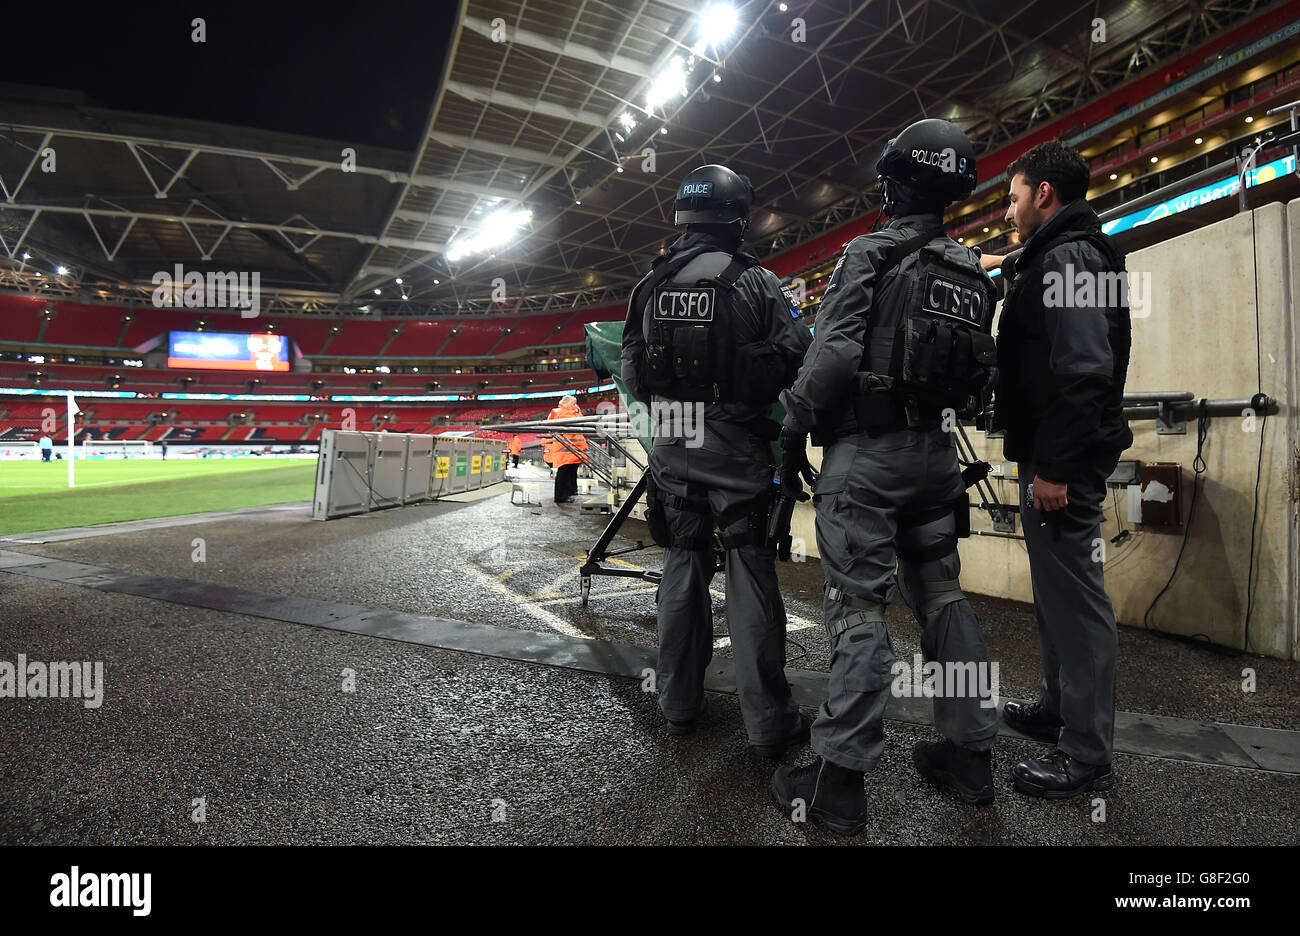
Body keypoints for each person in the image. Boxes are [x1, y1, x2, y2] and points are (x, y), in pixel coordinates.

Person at [770, 119, 1001, 835]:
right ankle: (970, 756)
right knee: (943, 595)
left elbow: (833, 354)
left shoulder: (868, 253)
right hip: (936, 456)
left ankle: (839, 780)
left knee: (860, 608)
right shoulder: (971, 270)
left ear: (898, 182)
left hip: (867, 459)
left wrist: (793, 425)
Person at [622, 163, 812, 757]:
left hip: (673, 439)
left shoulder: (649, 285)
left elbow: (631, 373)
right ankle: (767, 723)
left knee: (682, 561)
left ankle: (678, 704)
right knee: (749, 568)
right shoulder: (754, 282)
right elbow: (795, 357)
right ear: (738, 218)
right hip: (735, 440)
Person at [994, 140, 1132, 799]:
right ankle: (1058, 710)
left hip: (1062, 464)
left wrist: (1053, 467)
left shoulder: (1071, 255)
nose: (1010, 208)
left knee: (1076, 605)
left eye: (1015, 195)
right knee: (1056, 597)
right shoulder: (1057, 253)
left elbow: (1082, 372)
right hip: (1053, 455)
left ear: (1044, 193)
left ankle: (1085, 754)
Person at [544, 396, 587, 503]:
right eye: (573, 404)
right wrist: (576, 412)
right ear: (567, 404)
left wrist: (577, 411)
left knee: (569, 472)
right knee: (564, 472)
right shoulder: (563, 412)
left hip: (571, 449)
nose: (575, 406)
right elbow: (577, 421)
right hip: (566, 449)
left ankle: (567, 493)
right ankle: (560, 497)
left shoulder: (568, 412)